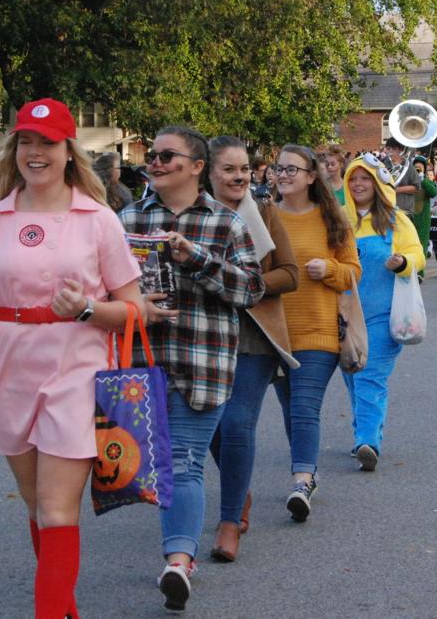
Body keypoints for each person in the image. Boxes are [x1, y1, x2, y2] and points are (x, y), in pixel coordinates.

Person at [0, 98, 144, 619]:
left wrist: (87, 307)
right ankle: (61, 605)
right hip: (10, 366)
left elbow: (135, 309)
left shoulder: (97, 219)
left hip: (77, 367)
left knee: (59, 508)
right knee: (37, 505)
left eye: (47, 143)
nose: (35, 152)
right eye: (26, 142)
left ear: (68, 152)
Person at [119, 126, 265, 611]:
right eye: (152, 156)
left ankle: (178, 562)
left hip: (203, 362)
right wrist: (134, 303)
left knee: (185, 461)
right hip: (140, 361)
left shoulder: (226, 224)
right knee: (155, 467)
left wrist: (195, 257)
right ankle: (177, 551)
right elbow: (98, 283)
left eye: (167, 156)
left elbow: (251, 290)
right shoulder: (127, 219)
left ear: (197, 166)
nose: (155, 162)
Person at [205, 136, 299, 564]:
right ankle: (239, 489)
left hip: (253, 336)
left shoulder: (264, 213)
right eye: (229, 169)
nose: (240, 176)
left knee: (238, 422)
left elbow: (290, 274)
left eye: (244, 168)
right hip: (201, 337)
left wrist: (243, 286)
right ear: (207, 172)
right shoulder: (190, 217)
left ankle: (229, 520)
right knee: (212, 428)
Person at [271, 144, 361, 522]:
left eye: (293, 169)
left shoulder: (332, 219)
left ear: (311, 177)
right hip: (274, 333)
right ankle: (306, 467)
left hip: (319, 330)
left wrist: (328, 268)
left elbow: (353, 272)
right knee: (291, 409)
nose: (285, 175)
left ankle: (302, 479)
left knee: (305, 405)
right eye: (280, 169)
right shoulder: (264, 217)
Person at [339, 154, 425, 471]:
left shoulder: (395, 220)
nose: (359, 184)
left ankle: (367, 441)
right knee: (352, 375)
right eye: (354, 178)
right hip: (347, 317)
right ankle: (365, 430)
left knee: (369, 375)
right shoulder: (340, 221)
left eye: (365, 178)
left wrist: (403, 262)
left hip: (385, 315)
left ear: (377, 184)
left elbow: (417, 254)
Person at [410, 155, 437, 262]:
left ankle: (419, 273)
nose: (418, 169)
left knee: (422, 244)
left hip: (423, 219)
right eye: (416, 167)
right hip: (410, 216)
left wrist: (423, 179)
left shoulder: (427, 181)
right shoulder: (408, 180)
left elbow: (433, 193)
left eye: (420, 167)